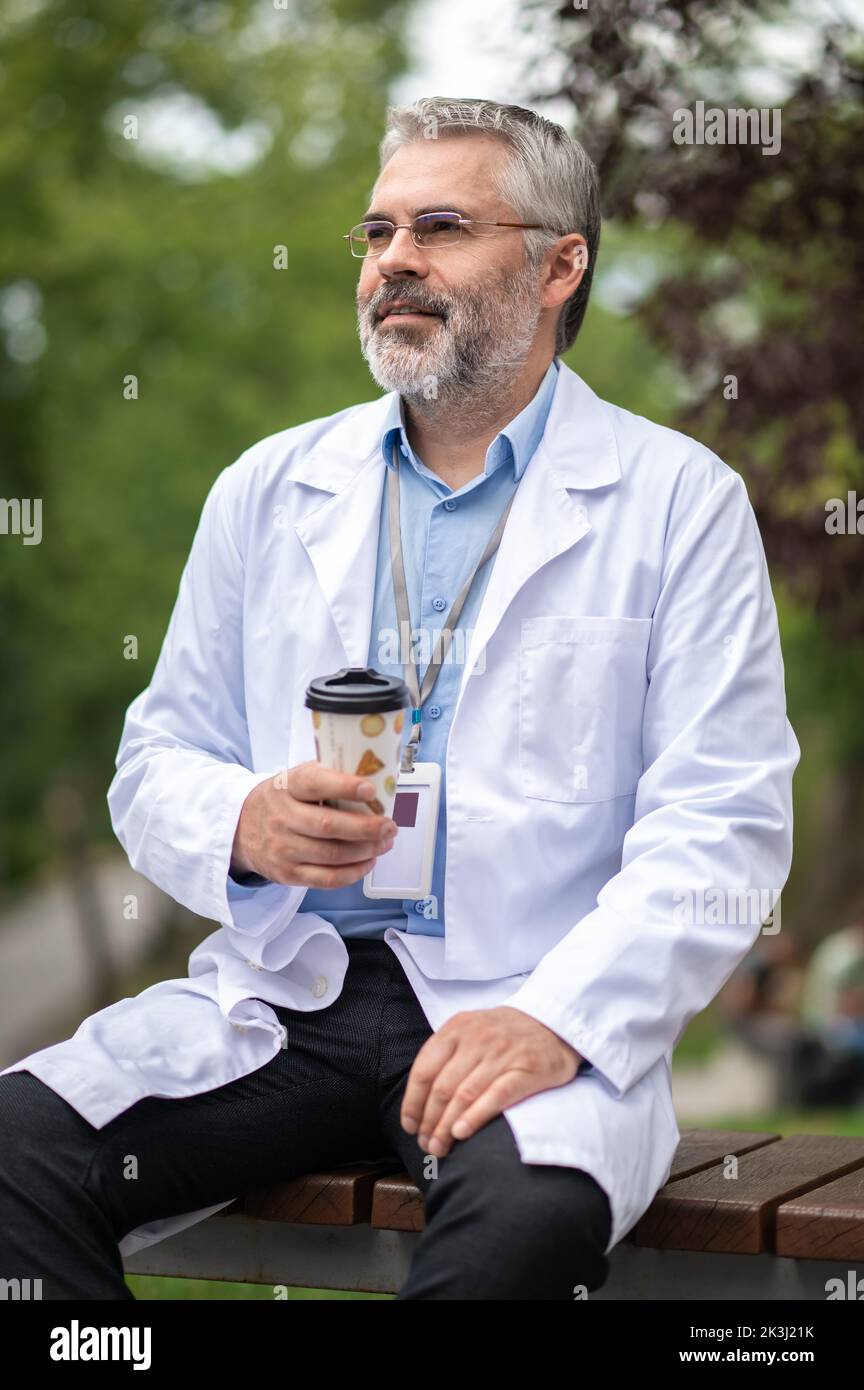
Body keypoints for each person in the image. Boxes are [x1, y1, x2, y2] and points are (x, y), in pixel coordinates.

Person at [0, 96, 799, 1300]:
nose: (395, 262)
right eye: (376, 234)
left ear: (557, 264)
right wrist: (244, 822)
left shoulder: (678, 500)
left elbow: (724, 822)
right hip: (293, 992)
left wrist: (563, 1022)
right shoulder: (268, 487)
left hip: (526, 999)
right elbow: (157, 754)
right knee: (17, 1157)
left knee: (508, 1247)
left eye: (440, 227)